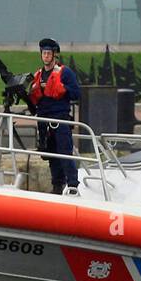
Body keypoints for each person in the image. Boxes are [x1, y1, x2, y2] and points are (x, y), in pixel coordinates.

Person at [29, 37, 82, 195]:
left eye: (48, 53)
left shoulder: (64, 73)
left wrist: (62, 88)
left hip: (59, 119)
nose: (45, 56)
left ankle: (72, 185)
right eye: (43, 53)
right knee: (51, 155)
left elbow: (76, 93)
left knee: (65, 152)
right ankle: (57, 186)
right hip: (44, 121)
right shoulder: (38, 75)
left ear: (54, 55)